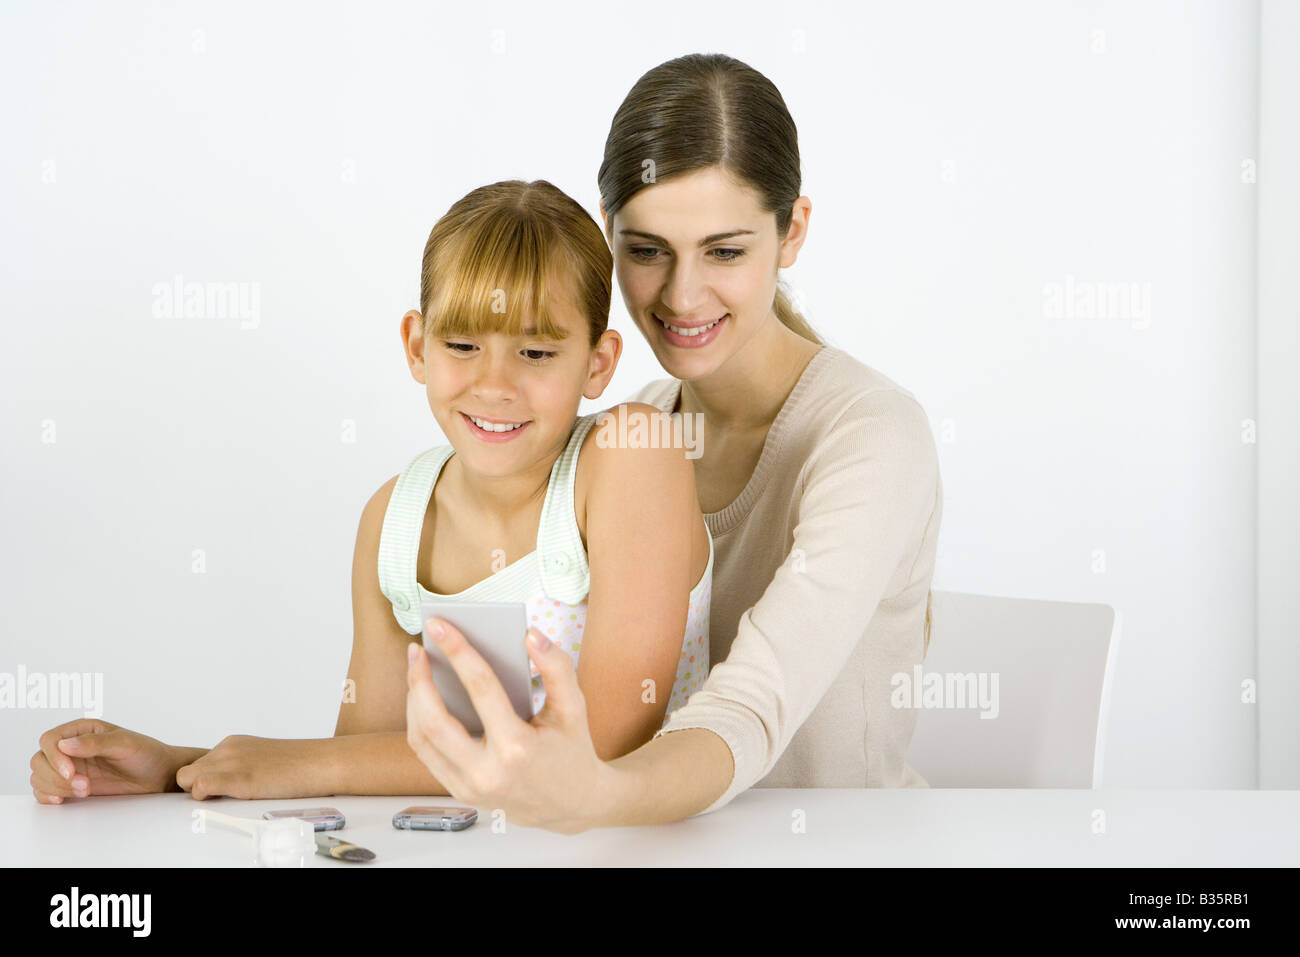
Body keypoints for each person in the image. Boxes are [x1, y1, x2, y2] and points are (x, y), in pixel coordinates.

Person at [27, 179, 714, 801]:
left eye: (536, 353)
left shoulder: (630, 454)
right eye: (462, 345)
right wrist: (180, 769)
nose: (495, 384)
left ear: (598, 363)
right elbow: (364, 770)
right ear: (417, 346)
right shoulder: (396, 519)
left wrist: (304, 764)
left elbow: (593, 747)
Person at [403, 52, 943, 833]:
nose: (682, 296)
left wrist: (594, 792)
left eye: (725, 251)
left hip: (839, 851)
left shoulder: (872, 436)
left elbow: (749, 703)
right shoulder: (639, 434)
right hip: (670, 849)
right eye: (648, 250)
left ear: (792, 232)